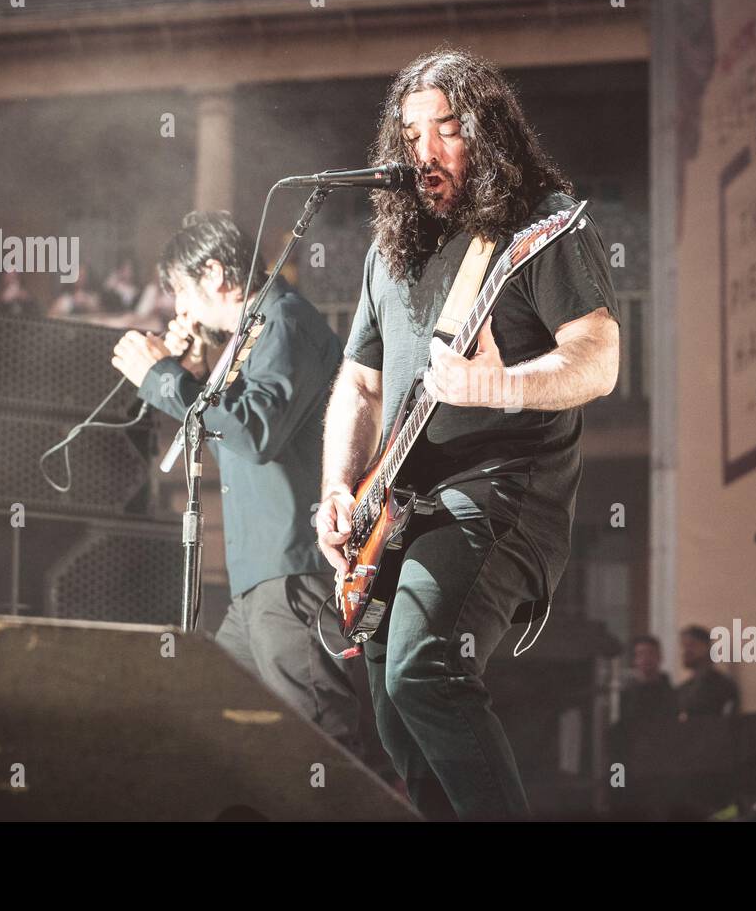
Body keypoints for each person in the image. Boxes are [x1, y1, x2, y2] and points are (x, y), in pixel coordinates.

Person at [315, 48, 621, 820]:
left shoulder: (538, 226)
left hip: (501, 494)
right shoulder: (390, 252)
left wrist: (502, 385)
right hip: (401, 508)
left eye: (447, 129)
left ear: (487, 134)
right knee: (396, 710)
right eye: (411, 134)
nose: (426, 150)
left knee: (422, 668)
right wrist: (336, 489)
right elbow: (359, 382)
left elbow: (599, 356)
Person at [111, 210, 360, 751]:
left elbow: (254, 433)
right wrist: (195, 374)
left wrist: (163, 376)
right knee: (214, 725)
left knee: (324, 741)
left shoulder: (285, 322)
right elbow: (235, 421)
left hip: (292, 573)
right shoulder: (249, 340)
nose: (179, 309)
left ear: (217, 275)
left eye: (181, 290)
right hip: (256, 584)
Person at [676, 625, 740, 720]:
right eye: (684, 646)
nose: (686, 651)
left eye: (691, 645)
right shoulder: (682, 690)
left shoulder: (723, 686)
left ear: (707, 647)